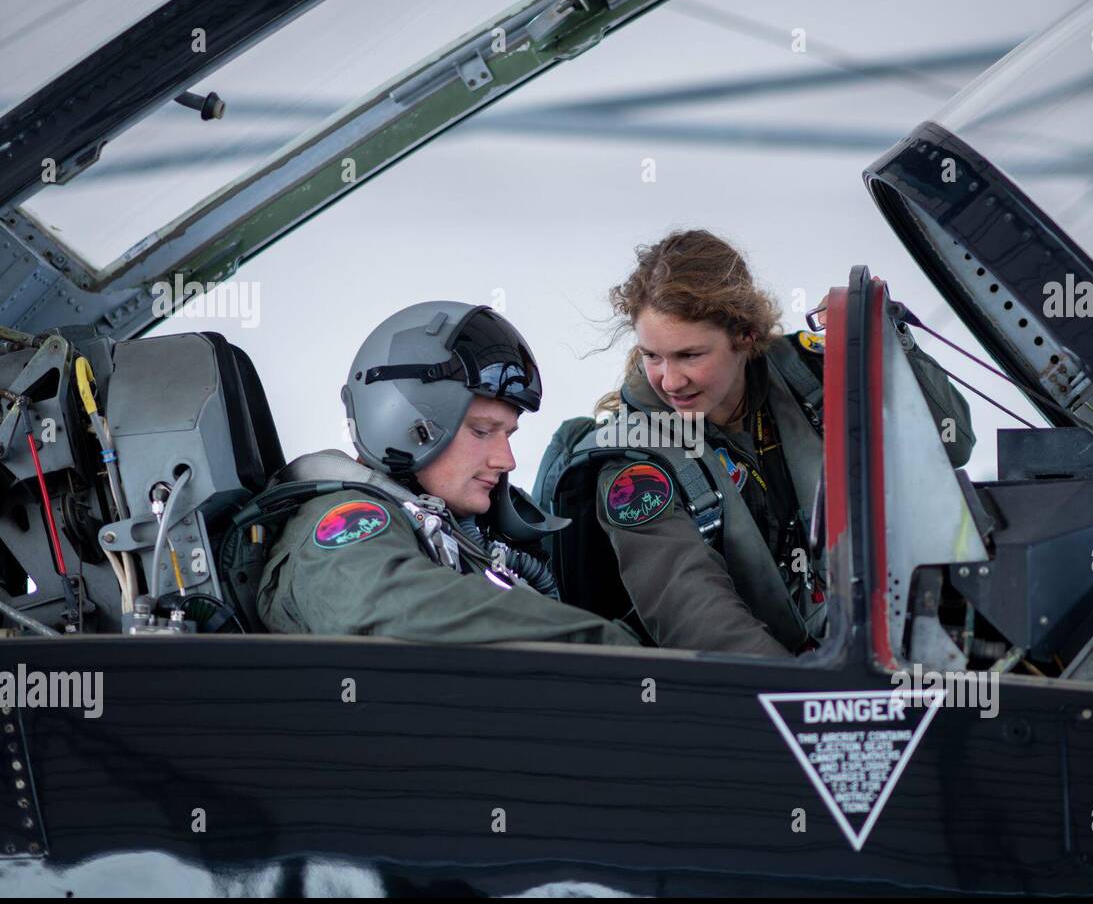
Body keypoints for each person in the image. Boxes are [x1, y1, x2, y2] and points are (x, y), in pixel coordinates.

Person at [539, 230, 973, 657]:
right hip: (748, 695)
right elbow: (695, 615)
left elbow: (951, 444)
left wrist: (883, 342)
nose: (670, 380)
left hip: (866, 647)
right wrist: (809, 697)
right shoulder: (633, 469)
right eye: (653, 356)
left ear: (745, 335)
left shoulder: (812, 378)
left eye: (690, 355)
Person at [255, 301, 639, 647]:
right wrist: (603, 647)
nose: (506, 461)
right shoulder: (344, 521)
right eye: (481, 431)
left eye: (507, 435)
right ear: (407, 425)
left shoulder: (448, 531)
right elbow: (394, 607)